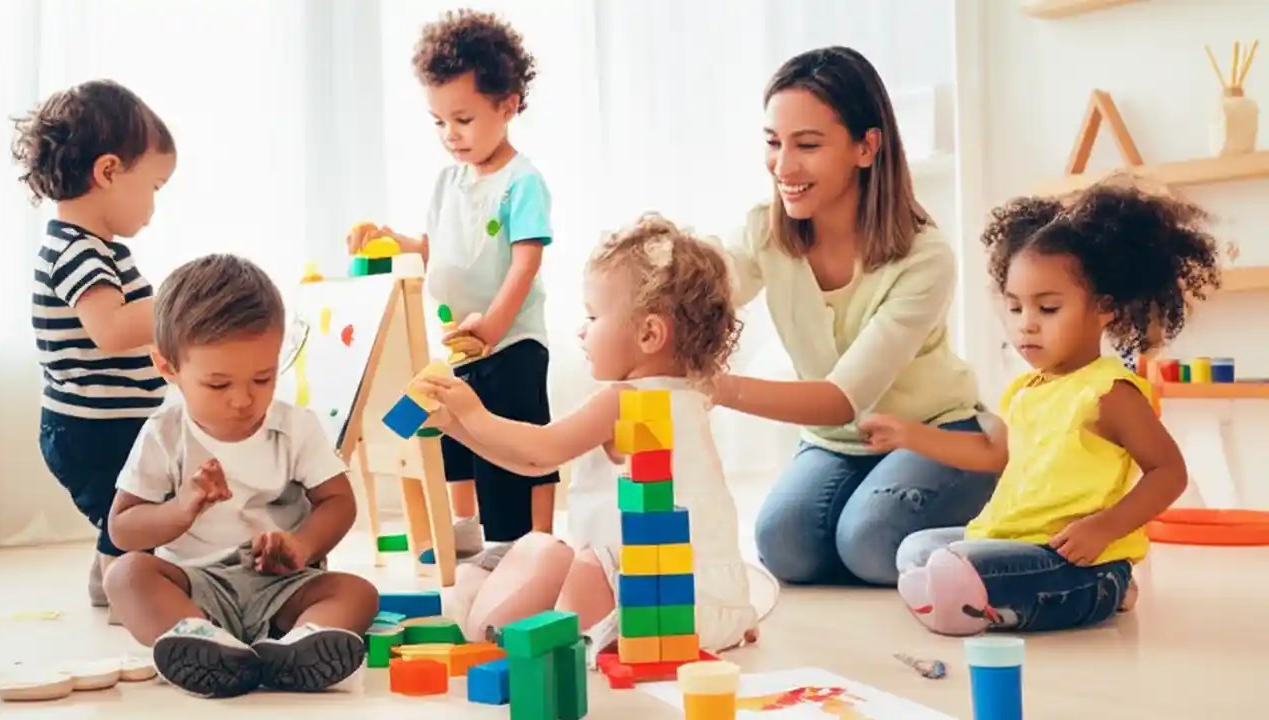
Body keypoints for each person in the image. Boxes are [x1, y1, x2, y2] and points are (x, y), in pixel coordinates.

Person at [862, 183, 1218, 634]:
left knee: (959, 565)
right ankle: (968, 595)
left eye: (1047, 308)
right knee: (916, 548)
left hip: (1074, 557)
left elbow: (1168, 472)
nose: (1026, 325)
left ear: (1105, 309)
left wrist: (1104, 528)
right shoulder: (1026, 389)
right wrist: (909, 435)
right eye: (1015, 308)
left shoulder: (1109, 392)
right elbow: (995, 453)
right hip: (1013, 541)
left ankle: (1105, 586)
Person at [713, 46, 994, 587]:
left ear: (866, 148)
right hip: (835, 442)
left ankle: (985, 494)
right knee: (783, 548)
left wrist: (716, 388)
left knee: (869, 544)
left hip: (928, 432)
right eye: (773, 142)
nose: (783, 167)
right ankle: (876, 510)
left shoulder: (924, 257)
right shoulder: (763, 230)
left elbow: (842, 399)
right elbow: (703, 291)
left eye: (807, 145)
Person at [414, 215, 759, 653]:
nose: (582, 329)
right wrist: (455, 427)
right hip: (710, 602)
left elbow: (540, 453)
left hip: (634, 597)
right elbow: (529, 463)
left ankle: (489, 625)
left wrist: (474, 414)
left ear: (649, 333)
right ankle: (491, 604)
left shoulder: (622, 399)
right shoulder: (692, 398)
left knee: (542, 552)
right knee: (542, 557)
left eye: (592, 316)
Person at [102, 255, 379, 697]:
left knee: (358, 592)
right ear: (168, 368)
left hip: (284, 585)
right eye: (219, 384)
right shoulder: (163, 433)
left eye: (263, 378)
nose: (243, 400)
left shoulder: (295, 427)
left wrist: (302, 546)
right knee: (125, 575)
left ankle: (297, 646)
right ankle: (204, 641)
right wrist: (180, 509)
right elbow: (123, 528)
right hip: (196, 585)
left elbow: (339, 501)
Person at [346, 9, 557, 564]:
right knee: (456, 431)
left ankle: (523, 536)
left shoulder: (521, 182)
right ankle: (467, 523)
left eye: (462, 119)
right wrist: (393, 241)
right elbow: (435, 246)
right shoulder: (448, 181)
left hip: (511, 341)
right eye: (438, 121)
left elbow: (525, 262)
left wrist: (494, 325)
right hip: (460, 341)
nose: (449, 135)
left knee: (513, 436)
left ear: (507, 106)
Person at [12, 79, 177, 610]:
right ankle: (126, 594)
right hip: (93, 429)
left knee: (128, 509)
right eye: (154, 186)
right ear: (108, 172)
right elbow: (110, 331)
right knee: (132, 512)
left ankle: (110, 577)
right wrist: (179, 302)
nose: (154, 206)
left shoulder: (94, 249)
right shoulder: (78, 252)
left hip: (103, 422)